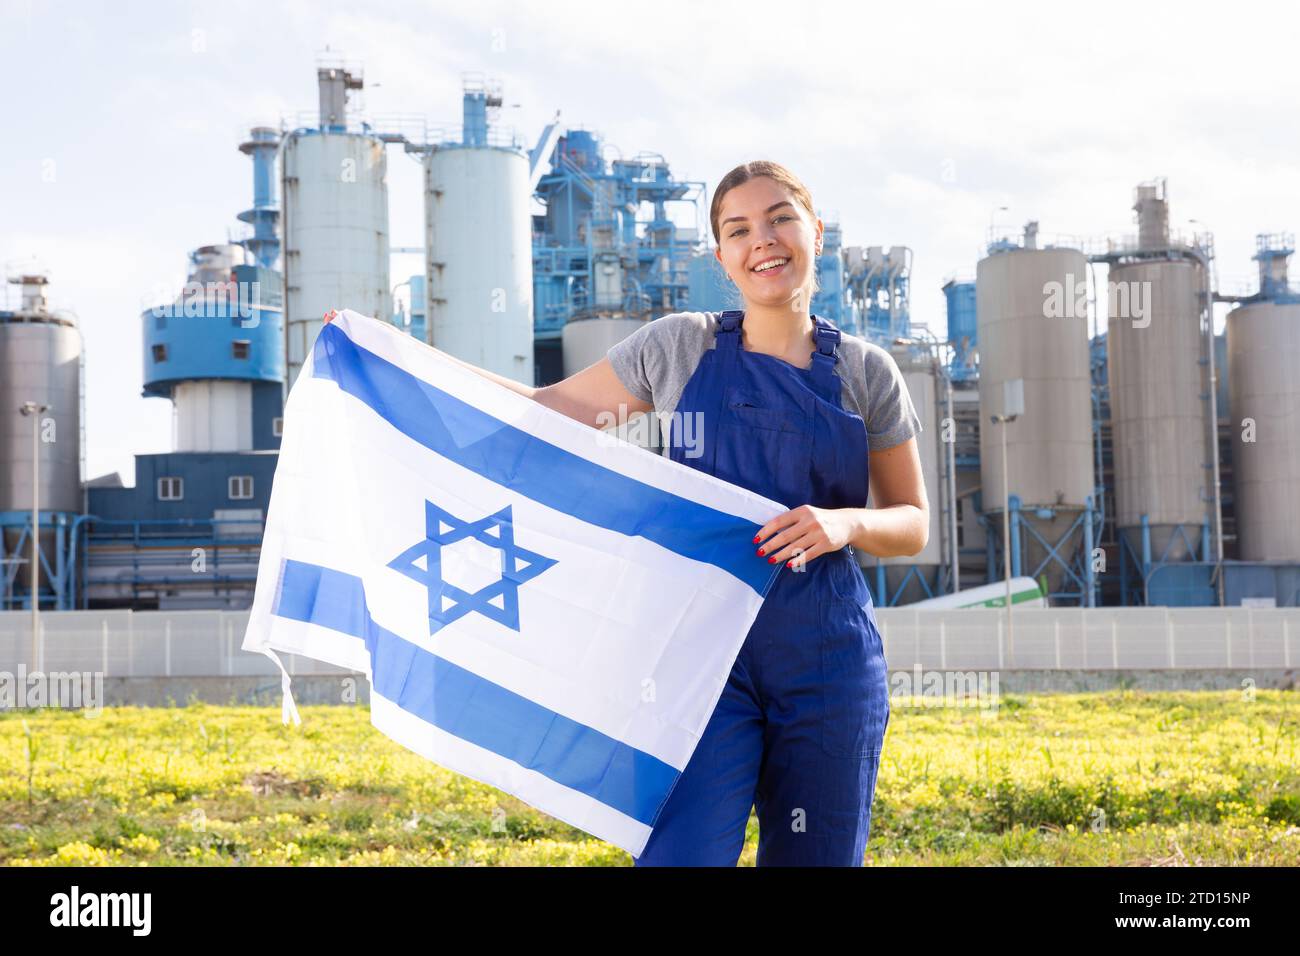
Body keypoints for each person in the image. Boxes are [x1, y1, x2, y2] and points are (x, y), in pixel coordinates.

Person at [326, 159, 928, 866]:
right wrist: (395, 355)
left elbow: (912, 521)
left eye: (780, 219)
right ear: (722, 258)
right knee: (683, 854)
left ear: (815, 232)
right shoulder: (679, 347)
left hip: (826, 661)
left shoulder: (865, 371)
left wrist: (845, 524)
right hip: (699, 660)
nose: (762, 241)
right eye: (739, 230)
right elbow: (542, 413)